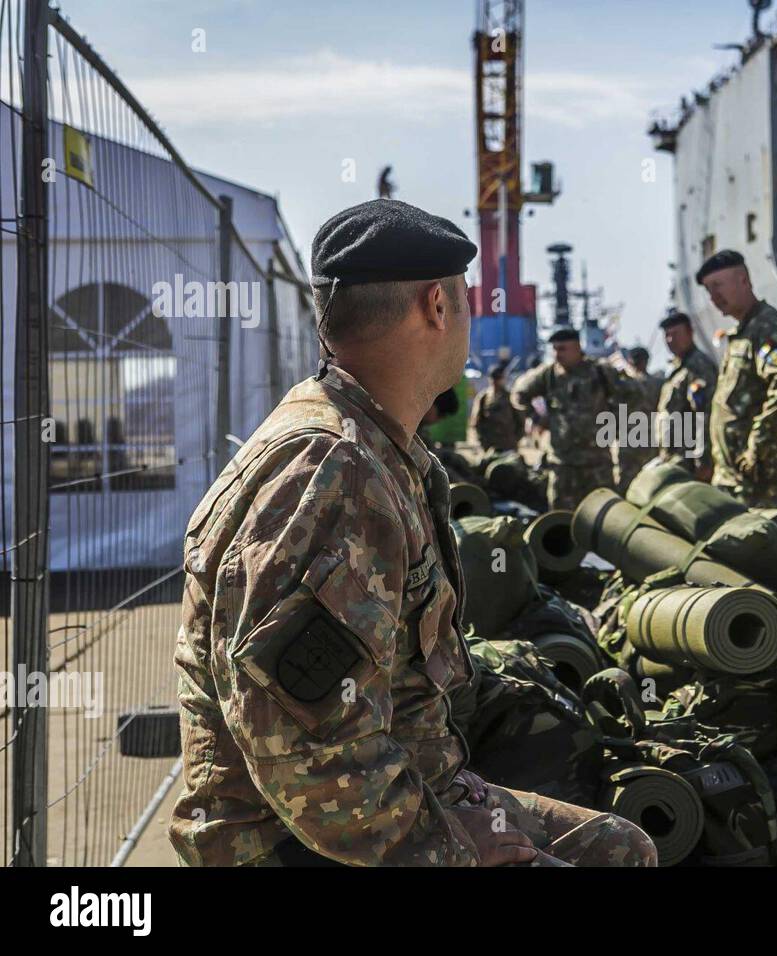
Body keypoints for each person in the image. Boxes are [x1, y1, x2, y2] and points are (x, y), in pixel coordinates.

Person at [170, 199, 655, 867]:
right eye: (466, 302)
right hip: (290, 842)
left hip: (393, 790)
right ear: (436, 306)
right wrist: (450, 843)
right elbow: (308, 760)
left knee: (620, 846)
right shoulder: (332, 476)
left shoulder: (373, 445)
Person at [696, 249, 777, 507]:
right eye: (708, 291)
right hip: (734, 480)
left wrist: (757, 446)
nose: (713, 297)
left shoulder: (767, 327)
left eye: (718, 286)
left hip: (760, 481)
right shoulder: (739, 337)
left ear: (744, 280)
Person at [510, 327, 632, 509]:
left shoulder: (600, 371)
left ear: (577, 347)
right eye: (555, 349)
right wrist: (536, 417)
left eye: (562, 349)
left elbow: (627, 395)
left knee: (604, 515)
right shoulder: (548, 374)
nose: (557, 354)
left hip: (597, 463)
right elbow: (519, 393)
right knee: (561, 516)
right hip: (563, 463)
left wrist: (614, 423)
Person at [656, 311, 717, 477]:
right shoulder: (678, 367)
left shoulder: (698, 367)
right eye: (667, 335)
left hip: (690, 460)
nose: (670, 340)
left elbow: (704, 414)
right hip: (675, 458)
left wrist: (702, 460)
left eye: (675, 334)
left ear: (690, 332)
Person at [615, 346, 664, 491]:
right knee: (652, 483)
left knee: (627, 484)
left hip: (629, 442)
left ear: (630, 361)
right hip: (652, 442)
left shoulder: (623, 385)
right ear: (647, 361)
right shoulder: (659, 384)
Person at [470, 362, 525, 453]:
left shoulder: (511, 397)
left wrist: (515, 440)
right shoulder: (483, 398)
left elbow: (521, 422)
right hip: (490, 446)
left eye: (499, 378)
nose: (496, 382)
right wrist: (482, 441)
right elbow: (476, 422)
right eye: (494, 378)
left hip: (508, 445)